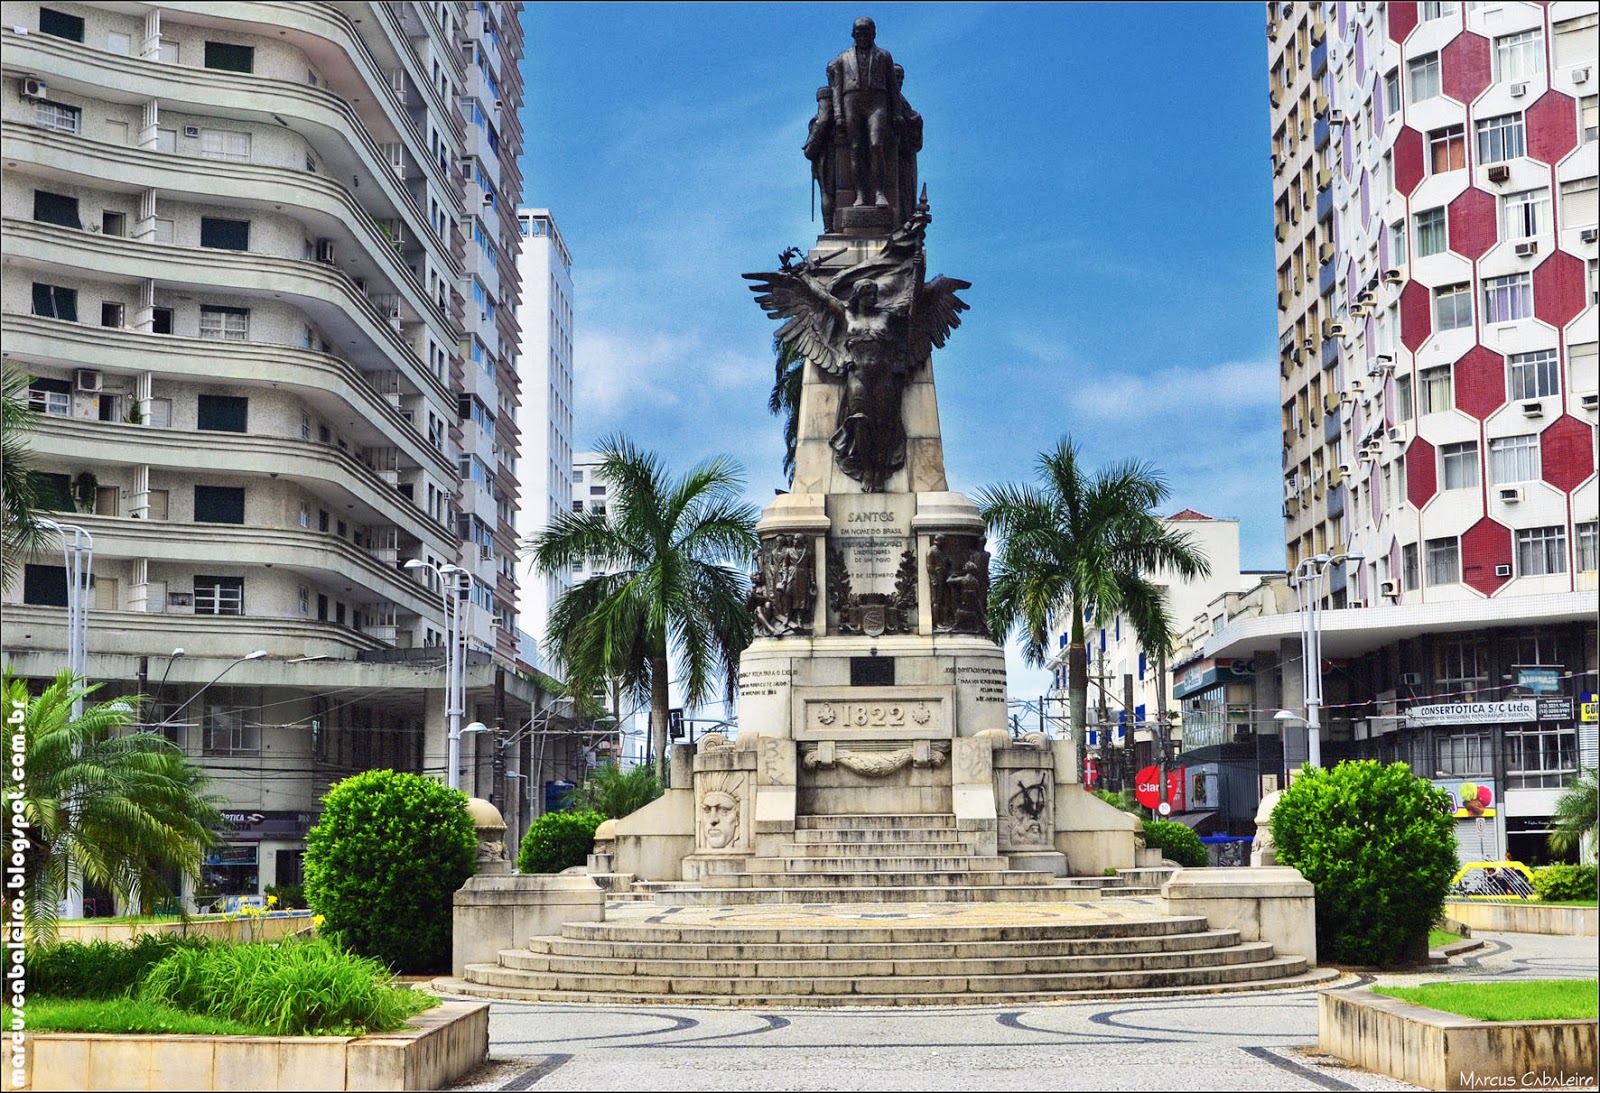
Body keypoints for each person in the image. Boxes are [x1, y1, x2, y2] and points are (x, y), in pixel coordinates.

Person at [827, 17, 896, 210]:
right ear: (853, 34)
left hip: (876, 102)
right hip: (852, 102)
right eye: (859, 33)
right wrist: (839, 115)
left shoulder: (884, 56)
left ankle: (879, 193)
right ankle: (859, 195)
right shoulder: (843, 58)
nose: (863, 36)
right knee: (856, 149)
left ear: (874, 34)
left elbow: (893, 88)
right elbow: (836, 89)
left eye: (866, 33)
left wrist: (896, 114)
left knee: (876, 146)